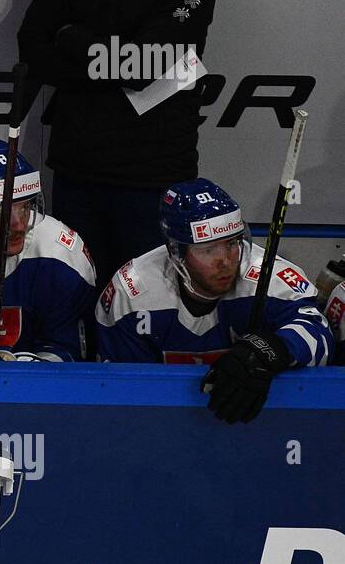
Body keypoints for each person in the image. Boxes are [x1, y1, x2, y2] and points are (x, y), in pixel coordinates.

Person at [17, 0, 221, 289]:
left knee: (140, 305)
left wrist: (72, 40)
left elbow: (148, 65)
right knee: (75, 299)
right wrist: (108, 57)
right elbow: (32, 44)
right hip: (76, 165)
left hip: (152, 170)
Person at [97, 178, 332, 422]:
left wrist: (265, 351)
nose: (226, 261)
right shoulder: (133, 292)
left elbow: (320, 333)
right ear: (176, 251)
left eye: (231, 243)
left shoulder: (269, 278)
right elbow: (121, 393)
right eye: (208, 249)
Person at [0, 140, 98, 361]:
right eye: (0, 213)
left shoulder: (60, 255)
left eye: (25, 207)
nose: (19, 225)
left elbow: (66, 355)